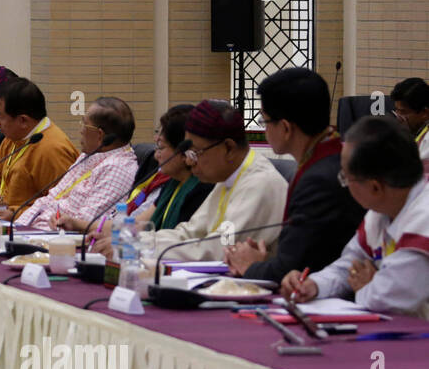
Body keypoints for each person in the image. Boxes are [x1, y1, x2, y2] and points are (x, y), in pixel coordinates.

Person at [281, 115, 429, 319]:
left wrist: (366, 287)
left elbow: (386, 299)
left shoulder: (423, 221)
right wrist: (314, 285)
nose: (345, 184)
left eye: (346, 178)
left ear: (375, 187)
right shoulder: (383, 208)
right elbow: (350, 263)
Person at [225, 67, 364, 280]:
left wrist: (250, 266)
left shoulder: (319, 180)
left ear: (286, 128)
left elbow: (292, 268)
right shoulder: (334, 157)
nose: (265, 129)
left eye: (265, 121)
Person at [138, 99, 288, 261]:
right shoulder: (229, 177)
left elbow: (218, 249)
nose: (189, 162)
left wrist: (141, 247)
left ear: (228, 148)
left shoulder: (260, 183)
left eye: (195, 153)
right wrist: (133, 241)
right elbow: (190, 232)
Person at [19, 97, 139, 230]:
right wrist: (18, 227)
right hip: (35, 230)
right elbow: (50, 198)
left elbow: (84, 224)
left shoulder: (118, 169)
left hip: (59, 240)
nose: (81, 130)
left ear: (100, 135)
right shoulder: (88, 156)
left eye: (84, 124)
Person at [0, 78, 78, 215]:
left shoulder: (52, 149)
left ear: (23, 121)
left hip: (31, 230)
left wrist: (15, 213)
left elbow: (63, 205)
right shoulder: (13, 137)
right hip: (1, 218)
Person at [130, 104, 212, 229]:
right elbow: (139, 223)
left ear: (186, 152)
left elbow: (180, 241)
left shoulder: (200, 191)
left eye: (161, 147)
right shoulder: (172, 182)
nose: (156, 156)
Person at [391, 77, 429, 162]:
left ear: (424, 113)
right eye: (396, 111)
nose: (398, 117)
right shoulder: (418, 132)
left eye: (403, 112)